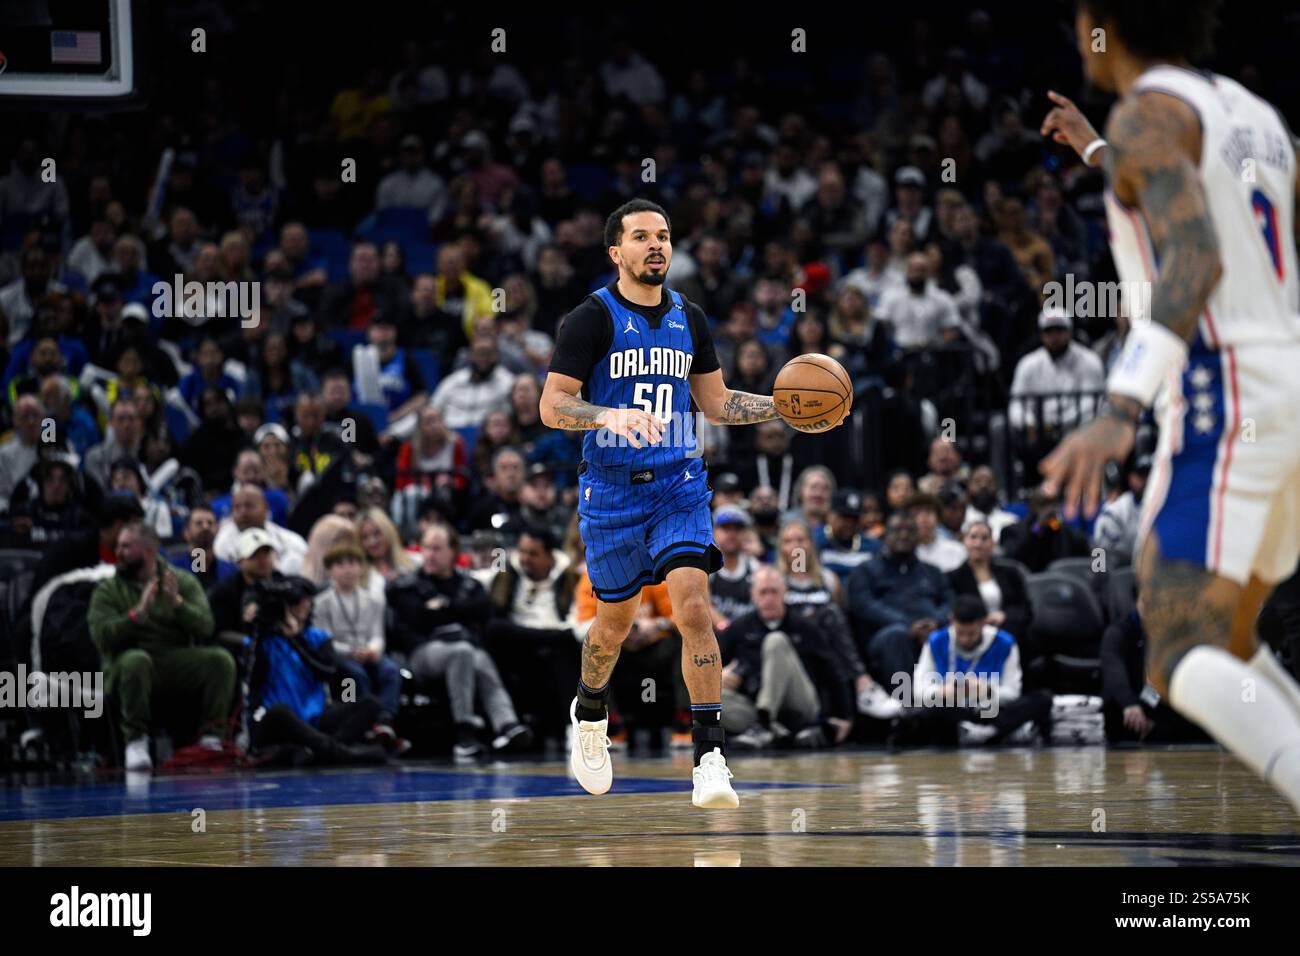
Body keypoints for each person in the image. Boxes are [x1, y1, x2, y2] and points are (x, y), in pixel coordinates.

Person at [1040, 0, 1300, 813]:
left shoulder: (1148, 110)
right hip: (1283, 380)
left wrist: (1122, 405)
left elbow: (1195, 252)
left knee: (1176, 646)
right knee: (1222, 635)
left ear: (1102, 25)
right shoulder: (1251, 113)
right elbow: (1198, 202)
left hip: (1224, 393)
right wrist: (1094, 148)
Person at [540, 199, 803, 808]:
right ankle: (591, 711)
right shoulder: (590, 319)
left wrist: (781, 406)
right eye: (641, 237)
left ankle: (709, 757)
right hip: (609, 494)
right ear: (617, 253)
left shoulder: (691, 317)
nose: (656, 245)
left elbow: (715, 404)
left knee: (692, 606)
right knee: (611, 628)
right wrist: (608, 413)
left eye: (662, 236)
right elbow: (552, 406)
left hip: (679, 485)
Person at [86, 521, 232, 771]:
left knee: (220, 661)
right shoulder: (107, 590)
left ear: (149, 552)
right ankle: (136, 741)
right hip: (124, 666)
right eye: (118, 546)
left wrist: (178, 605)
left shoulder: (181, 581)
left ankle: (213, 738)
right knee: (137, 660)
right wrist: (136, 616)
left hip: (171, 660)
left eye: (126, 547)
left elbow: (206, 626)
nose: (118, 552)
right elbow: (102, 638)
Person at [386, 523, 532, 758]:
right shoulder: (408, 586)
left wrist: (445, 607)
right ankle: (464, 732)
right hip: (422, 652)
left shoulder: (469, 584)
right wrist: (455, 612)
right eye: (427, 548)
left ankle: (507, 725)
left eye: (437, 549)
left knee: (480, 657)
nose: (430, 555)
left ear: (453, 552)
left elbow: (483, 612)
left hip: (465, 648)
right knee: (463, 651)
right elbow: (413, 621)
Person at [720, 566, 855, 749]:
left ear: (785, 593)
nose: (769, 599)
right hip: (754, 702)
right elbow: (713, 662)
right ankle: (777, 730)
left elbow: (833, 673)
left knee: (776, 641)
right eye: (763, 592)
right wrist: (720, 676)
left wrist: (843, 716)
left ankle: (765, 725)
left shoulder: (805, 627)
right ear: (753, 595)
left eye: (774, 592)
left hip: (800, 702)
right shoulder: (739, 628)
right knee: (708, 696)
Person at [897, 595, 1051, 746]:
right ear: (952, 621)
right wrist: (943, 691)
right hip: (952, 710)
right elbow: (919, 691)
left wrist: (987, 690)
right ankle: (998, 733)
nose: (964, 639)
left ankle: (987, 732)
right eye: (960, 633)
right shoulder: (936, 641)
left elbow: (1012, 692)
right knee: (927, 711)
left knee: (1042, 698)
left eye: (971, 634)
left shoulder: (1005, 643)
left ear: (984, 623)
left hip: (990, 709)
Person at [312, 541, 405, 748]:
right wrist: (351, 651)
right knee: (354, 675)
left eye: (352, 563)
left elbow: (377, 634)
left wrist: (373, 649)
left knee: (391, 671)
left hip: (367, 651)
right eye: (340, 564)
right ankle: (360, 719)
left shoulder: (372, 600)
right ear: (330, 570)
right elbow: (324, 639)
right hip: (341, 655)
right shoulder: (322, 603)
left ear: (362, 567)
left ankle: (384, 719)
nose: (347, 569)